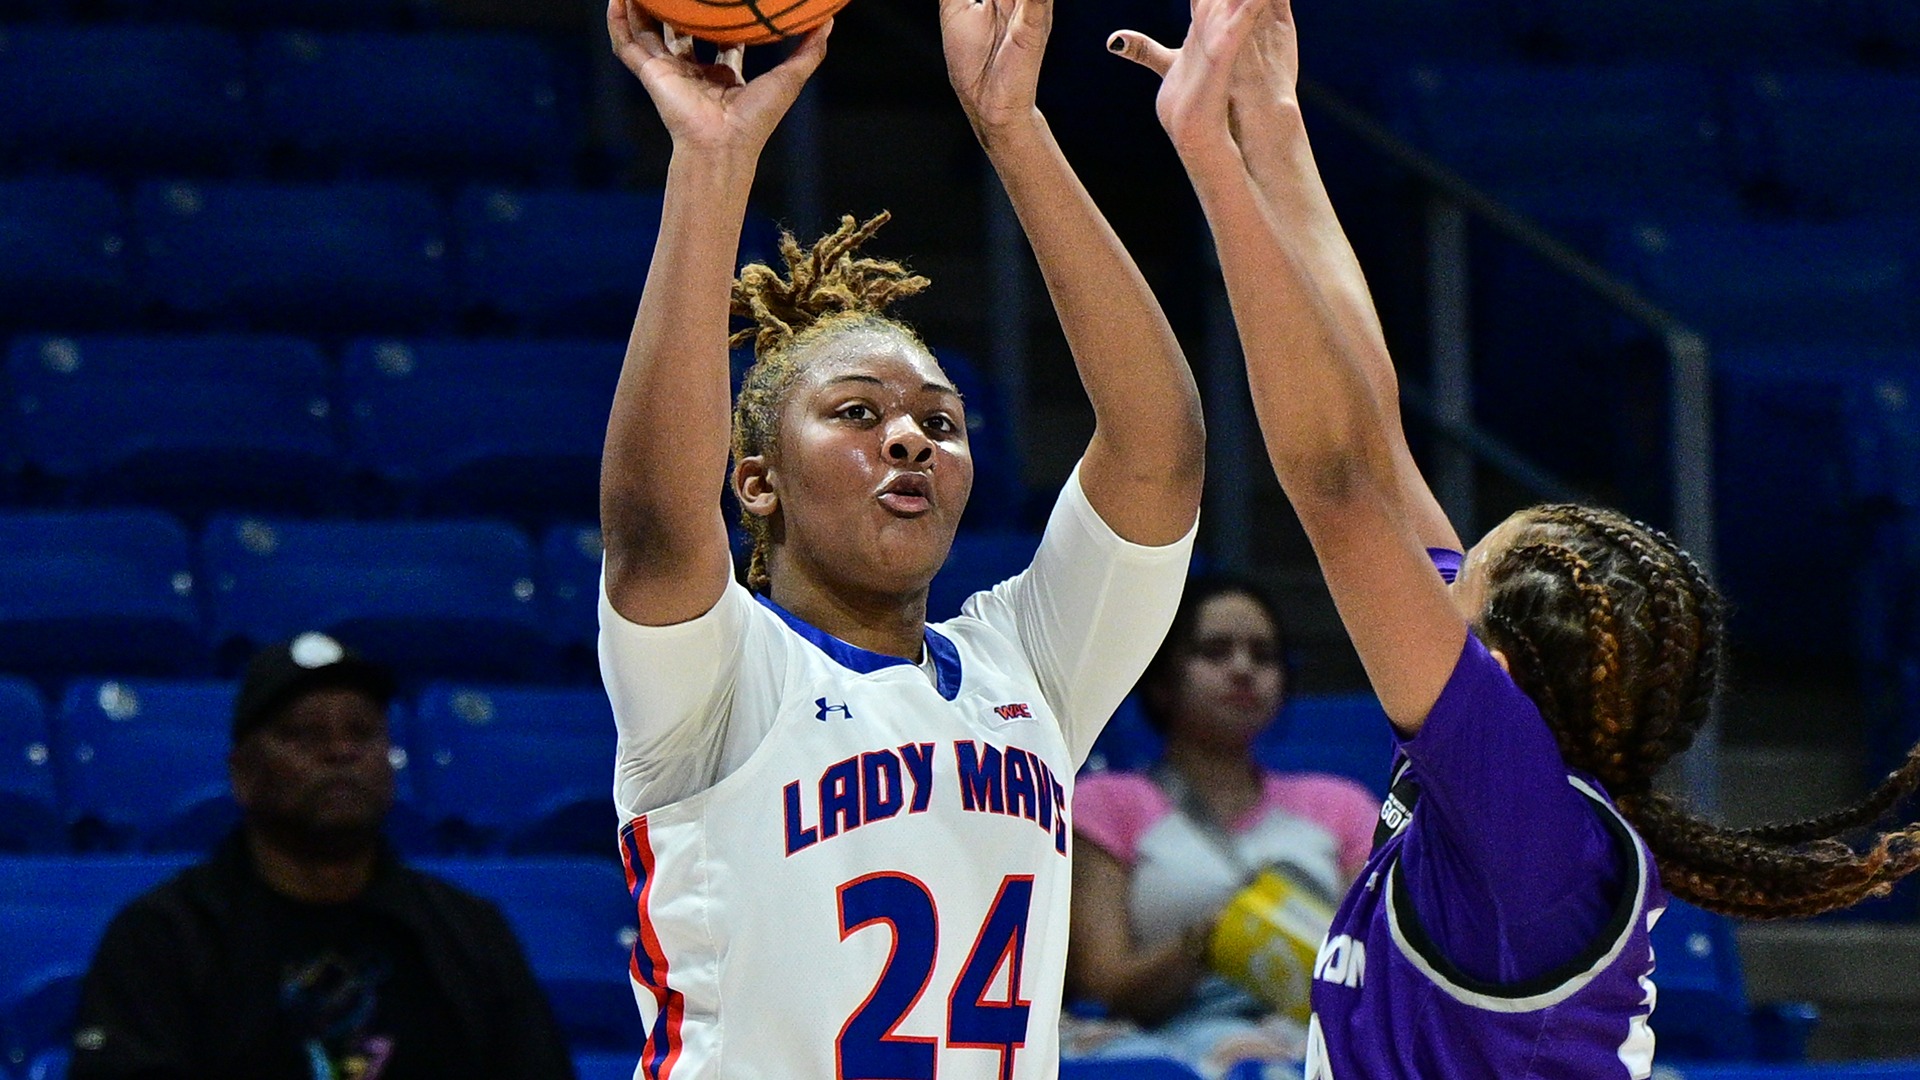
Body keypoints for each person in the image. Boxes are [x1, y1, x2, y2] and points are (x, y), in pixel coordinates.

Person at [1108, 0, 1920, 1076]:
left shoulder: (1527, 829)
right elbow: (1369, 424)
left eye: (1464, 570)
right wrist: (1276, 130)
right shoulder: (1523, 787)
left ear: (1491, 664)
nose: (1434, 566)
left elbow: (1340, 487)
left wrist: (1208, 156)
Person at [595, 0, 1205, 1072]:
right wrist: (712, 161)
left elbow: (1159, 448)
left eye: (940, 421)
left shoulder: (1028, 670)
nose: (912, 441)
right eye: (858, 414)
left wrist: (1014, 129)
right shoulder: (723, 675)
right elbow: (652, 530)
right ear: (757, 483)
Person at [69, 633, 575, 1080]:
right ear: (243, 773)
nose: (340, 752)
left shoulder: (467, 933)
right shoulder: (163, 937)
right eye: (305, 735)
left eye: (362, 733)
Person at [1065, 578, 1378, 1077]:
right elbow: (1101, 984)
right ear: (1163, 679)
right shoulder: (1107, 803)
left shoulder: (1342, 805)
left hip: (1312, 1042)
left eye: (1263, 655)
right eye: (1214, 652)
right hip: (1167, 1046)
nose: (1243, 669)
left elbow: (1376, 973)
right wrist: (1207, 941)